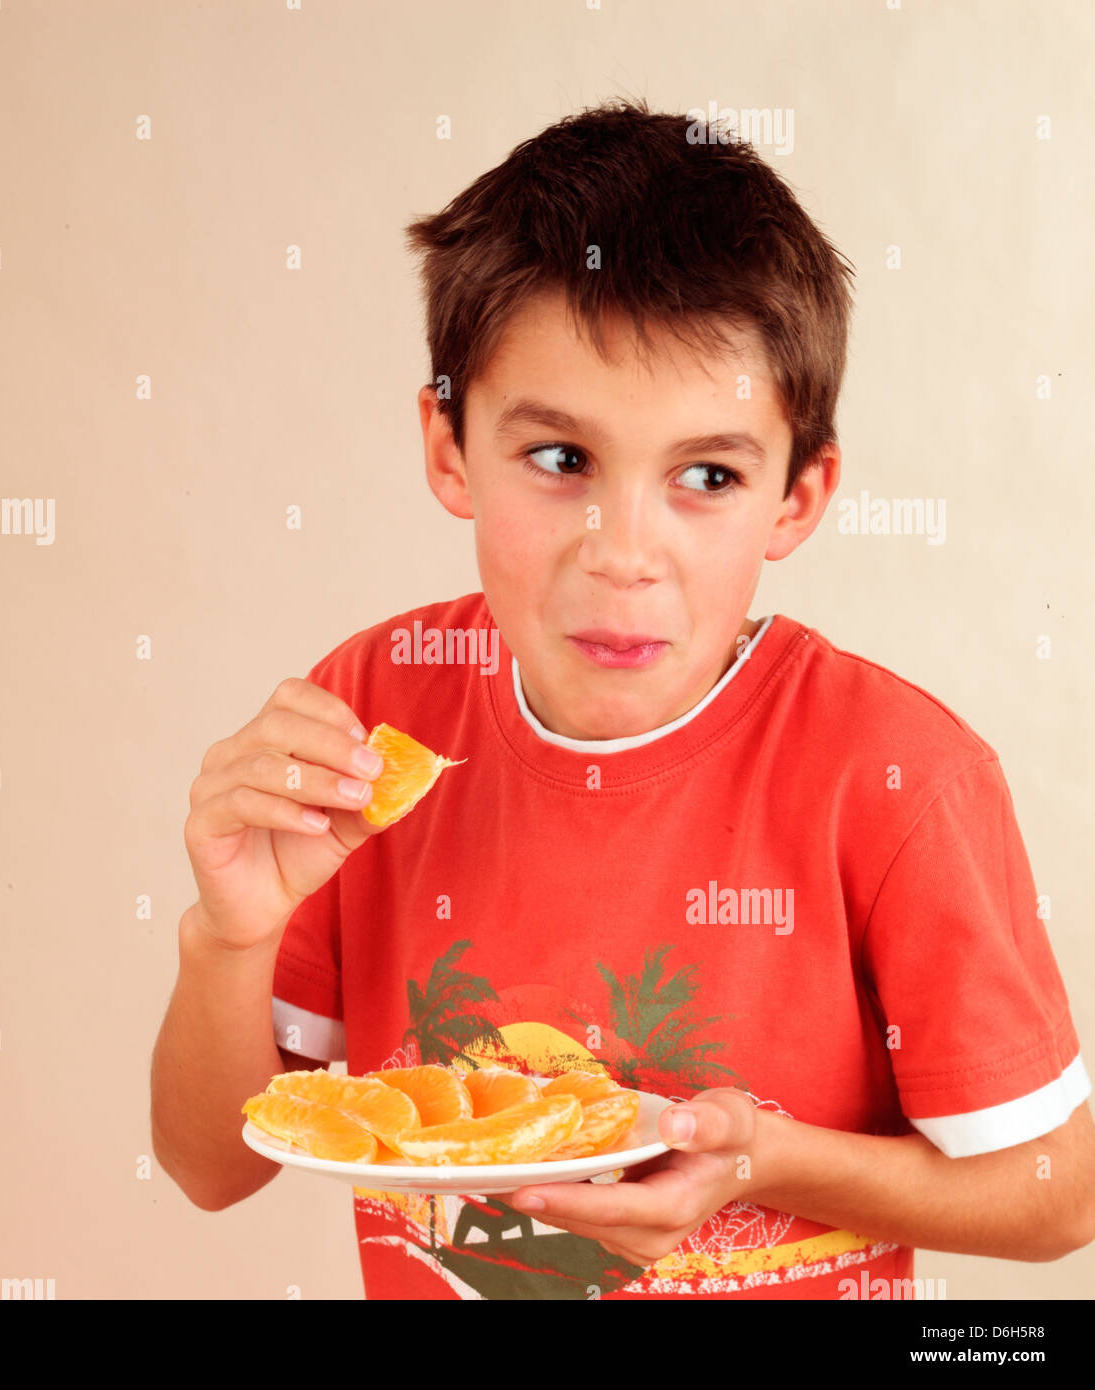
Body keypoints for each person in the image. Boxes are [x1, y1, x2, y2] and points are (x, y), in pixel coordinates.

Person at [150, 97, 1095, 1300]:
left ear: (798, 497)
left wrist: (759, 1157)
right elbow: (211, 1164)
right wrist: (227, 937)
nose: (622, 551)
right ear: (448, 447)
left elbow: (1057, 1190)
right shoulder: (370, 719)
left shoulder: (894, 775)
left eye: (706, 475)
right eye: (560, 460)